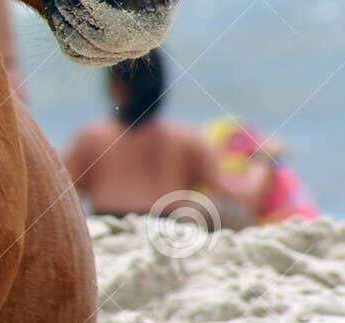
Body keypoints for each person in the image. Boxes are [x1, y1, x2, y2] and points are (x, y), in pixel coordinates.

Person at [63, 50, 304, 228]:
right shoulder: (185, 139)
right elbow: (243, 198)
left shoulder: (91, 137)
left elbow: (58, 196)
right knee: (219, 213)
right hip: (166, 227)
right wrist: (263, 158)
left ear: (115, 87)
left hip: (105, 226)